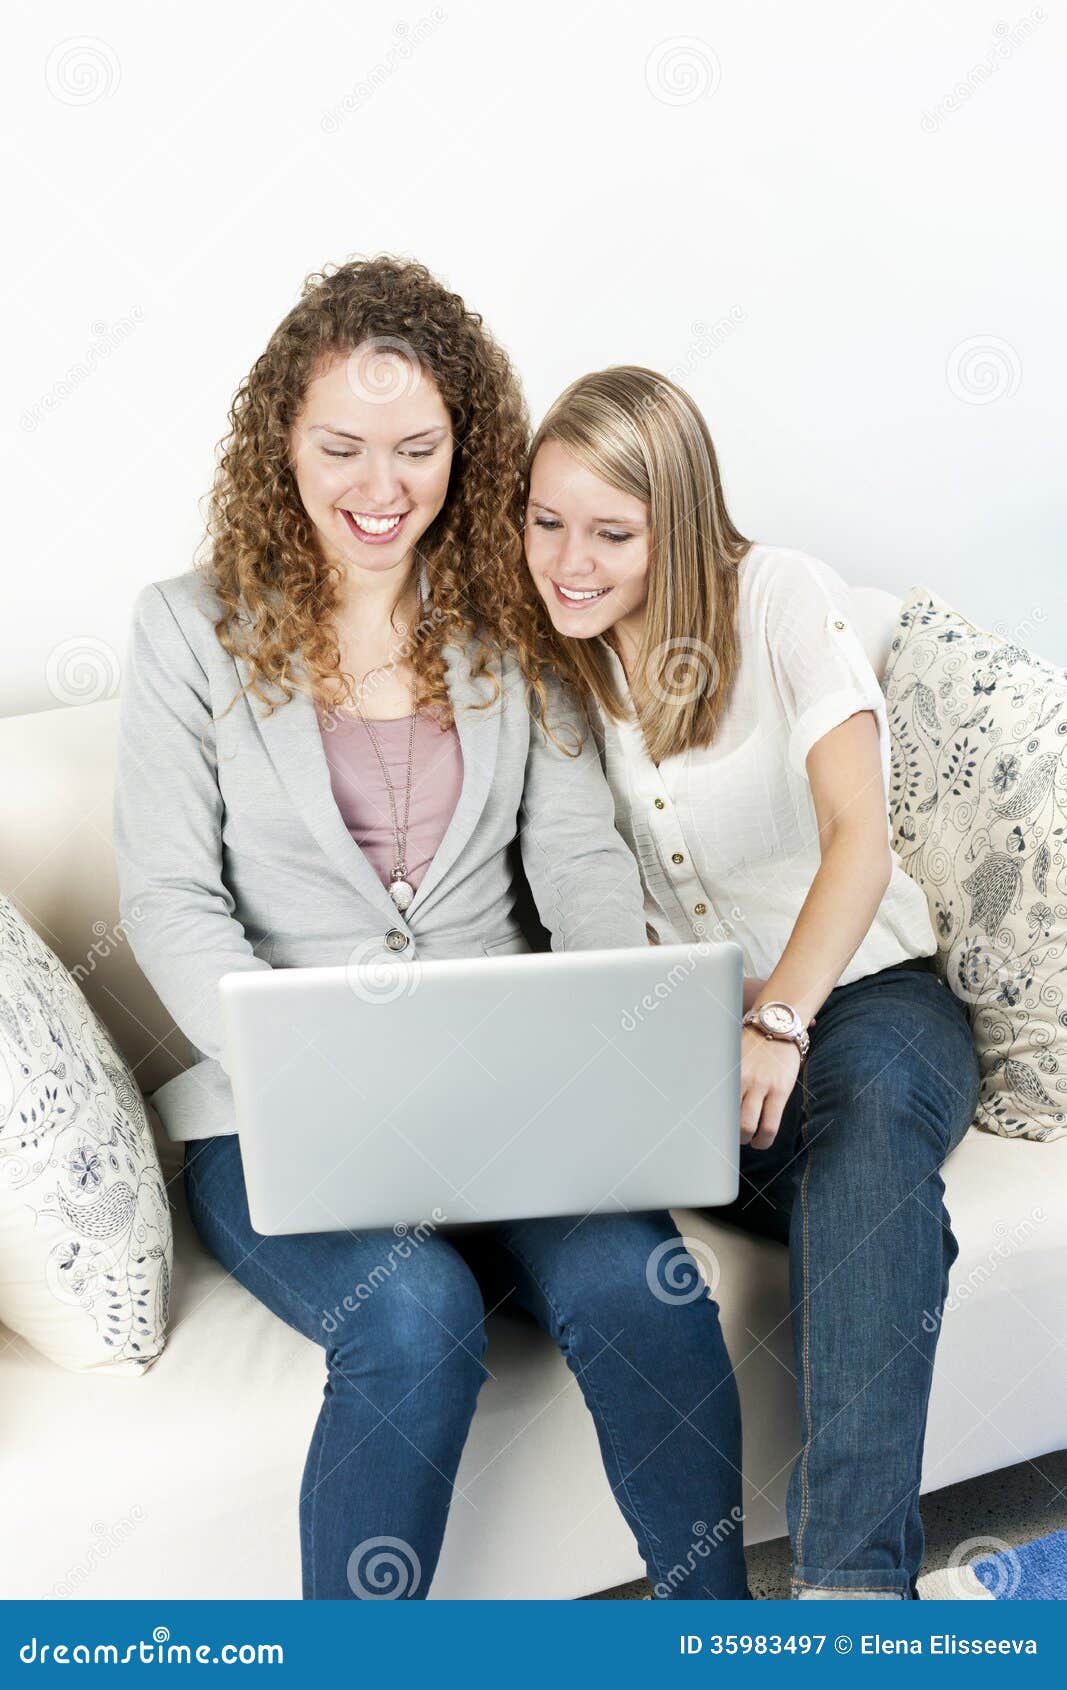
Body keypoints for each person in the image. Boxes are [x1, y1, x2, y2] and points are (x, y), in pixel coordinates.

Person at [113, 264, 750, 1600]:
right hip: (272, 1107)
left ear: (464, 447)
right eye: (340, 446)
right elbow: (169, 896)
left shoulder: (510, 617)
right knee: (413, 1315)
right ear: (279, 442)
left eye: (416, 448)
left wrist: (612, 1025)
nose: (379, 485)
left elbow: (573, 849)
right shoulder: (185, 631)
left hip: (507, 1089)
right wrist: (302, 1058)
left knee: (648, 1285)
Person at [523, 365, 981, 1600]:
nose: (568, 561)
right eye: (544, 521)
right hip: (693, 1051)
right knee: (874, 1200)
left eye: (610, 534)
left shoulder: (779, 595)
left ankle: (848, 1597)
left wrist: (780, 1013)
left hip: (866, 1000)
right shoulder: (550, 673)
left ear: (674, 523)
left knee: (870, 1125)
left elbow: (858, 835)